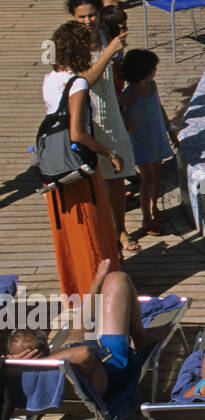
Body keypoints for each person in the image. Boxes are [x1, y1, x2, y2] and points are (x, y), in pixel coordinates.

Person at [41, 22, 124, 295]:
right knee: (91, 230)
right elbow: (77, 133)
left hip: (56, 168)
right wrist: (107, 151)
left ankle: (77, 290)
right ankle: (101, 291)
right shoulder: (76, 83)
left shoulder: (50, 79)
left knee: (71, 236)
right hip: (79, 170)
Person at [8, 262, 173, 396]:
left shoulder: (12, 370)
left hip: (72, 353)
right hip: (111, 361)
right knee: (117, 279)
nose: (20, 332)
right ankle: (140, 336)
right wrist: (30, 365)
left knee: (77, 329)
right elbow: (85, 353)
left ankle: (96, 284)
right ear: (33, 355)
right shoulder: (61, 366)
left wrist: (13, 364)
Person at [119, 49, 178, 236]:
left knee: (157, 175)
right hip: (140, 141)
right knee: (148, 178)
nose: (155, 71)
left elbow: (159, 108)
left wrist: (170, 131)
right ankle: (146, 218)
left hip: (156, 136)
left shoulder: (152, 87)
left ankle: (154, 209)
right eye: (153, 68)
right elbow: (121, 115)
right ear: (142, 71)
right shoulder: (129, 95)